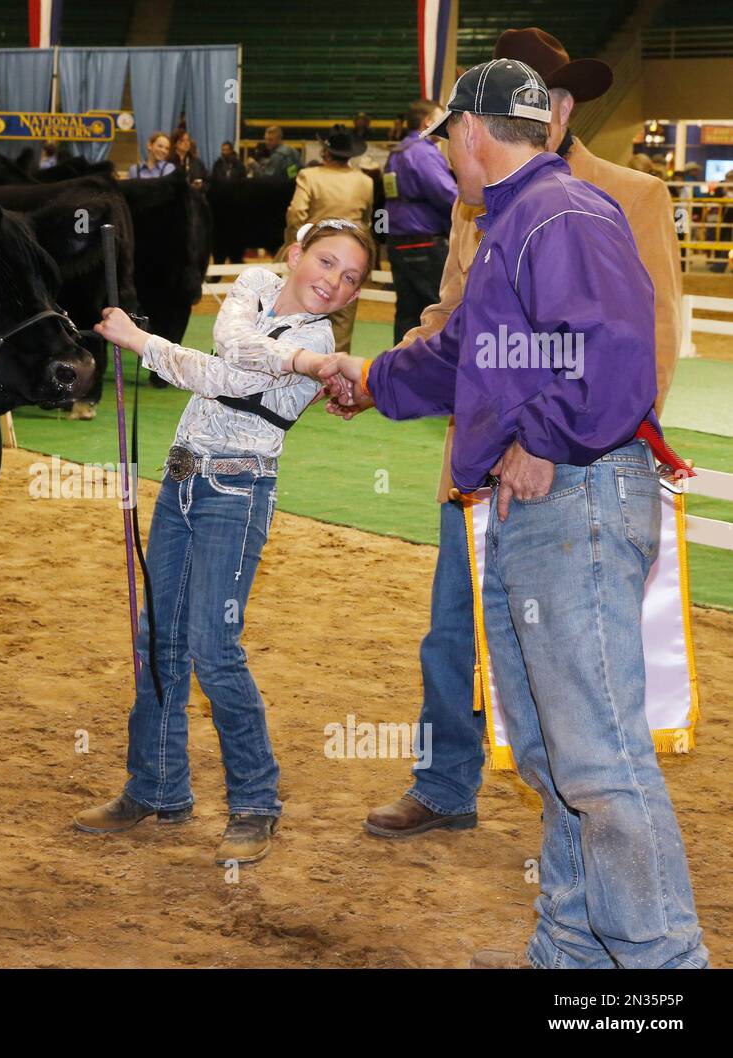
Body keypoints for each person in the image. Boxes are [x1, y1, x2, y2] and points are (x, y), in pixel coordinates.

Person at [321, 57, 706, 970]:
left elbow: (616, 355)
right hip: (546, 509)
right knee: (555, 754)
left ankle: (664, 971)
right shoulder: (522, 220)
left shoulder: (554, 216)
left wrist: (548, 437)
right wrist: (370, 379)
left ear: (472, 131)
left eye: (449, 134)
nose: (447, 150)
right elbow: (465, 352)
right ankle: (573, 954)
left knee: (600, 761)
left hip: (571, 496)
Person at [74, 219, 375, 866]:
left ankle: (256, 802)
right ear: (295, 255)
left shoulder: (322, 339)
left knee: (214, 648)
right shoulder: (257, 285)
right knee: (160, 637)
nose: (333, 282)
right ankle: (156, 786)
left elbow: (227, 379)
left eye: (349, 279)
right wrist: (302, 363)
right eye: (325, 262)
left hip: (236, 493)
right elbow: (229, 341)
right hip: (181, 473)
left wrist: (138, 341)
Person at [283, 127, 373, 351]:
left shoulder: (309, 176)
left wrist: (300, 242)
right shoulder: (365, 182)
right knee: (342, 323)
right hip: (351, 261)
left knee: (299, 316)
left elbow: (296, 214)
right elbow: (367, 220)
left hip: (318, 254)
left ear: (326, 152)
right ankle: (335, 378)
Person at [383, 99, 457, 343]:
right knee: (435, 311)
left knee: (406, 312)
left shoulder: (397, 152)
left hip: (398, 243)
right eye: (440, 116)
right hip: (424, 243)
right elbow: (449, 195)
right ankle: (430, 373)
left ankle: (397, 369)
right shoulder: (423, 152)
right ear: (428, 122)